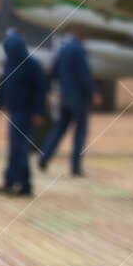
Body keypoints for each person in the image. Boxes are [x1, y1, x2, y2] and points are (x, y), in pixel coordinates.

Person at [0, 30, 47, 197]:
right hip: (14, 112)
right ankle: (14, 183)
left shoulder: (32, 66)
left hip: (25, 113)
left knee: (19, 150)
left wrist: (39, 112)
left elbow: (41, 91)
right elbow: (2, 87)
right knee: (15, 149)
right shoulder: (8, 64)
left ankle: (21, 185)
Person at [40, 36, 93, 177]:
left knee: (59, 128)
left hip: (64, 97)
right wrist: (93, 92)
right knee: (80, 133)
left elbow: (53, 72)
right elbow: (84, 75)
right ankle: (75, 167)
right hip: (79, 98)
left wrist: (47, 90)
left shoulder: (63, 49)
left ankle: (44, 157)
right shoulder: (79, 50)